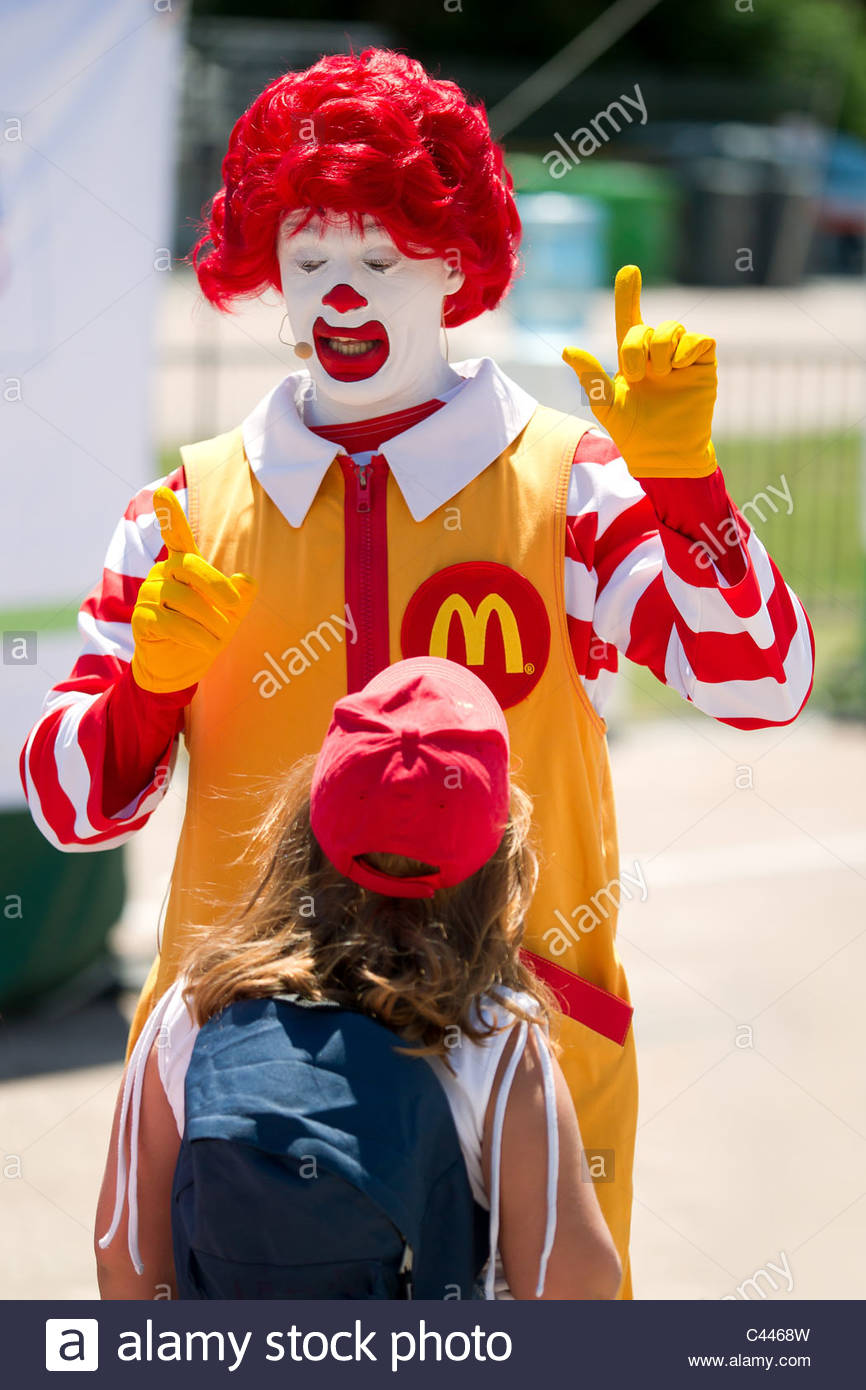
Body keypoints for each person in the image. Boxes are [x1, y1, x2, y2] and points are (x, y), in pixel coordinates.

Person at [23, 48, 814, 1298]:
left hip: (516, 1054)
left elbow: (758, 684)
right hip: (238, 1071)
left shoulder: (569, 484)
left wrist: (687, 490)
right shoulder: (183, 509)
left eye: (379, 260)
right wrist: (147, 689)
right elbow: (68, 807)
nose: (341, 296)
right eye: (309, 261)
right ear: (266, 280)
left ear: (457, 267)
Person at [94, 657, 622, 1301]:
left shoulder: (197, 1008)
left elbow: (123, 1261)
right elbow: (578, 1281)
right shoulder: (491, 1033)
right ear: (494, 862)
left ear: (309, 823)